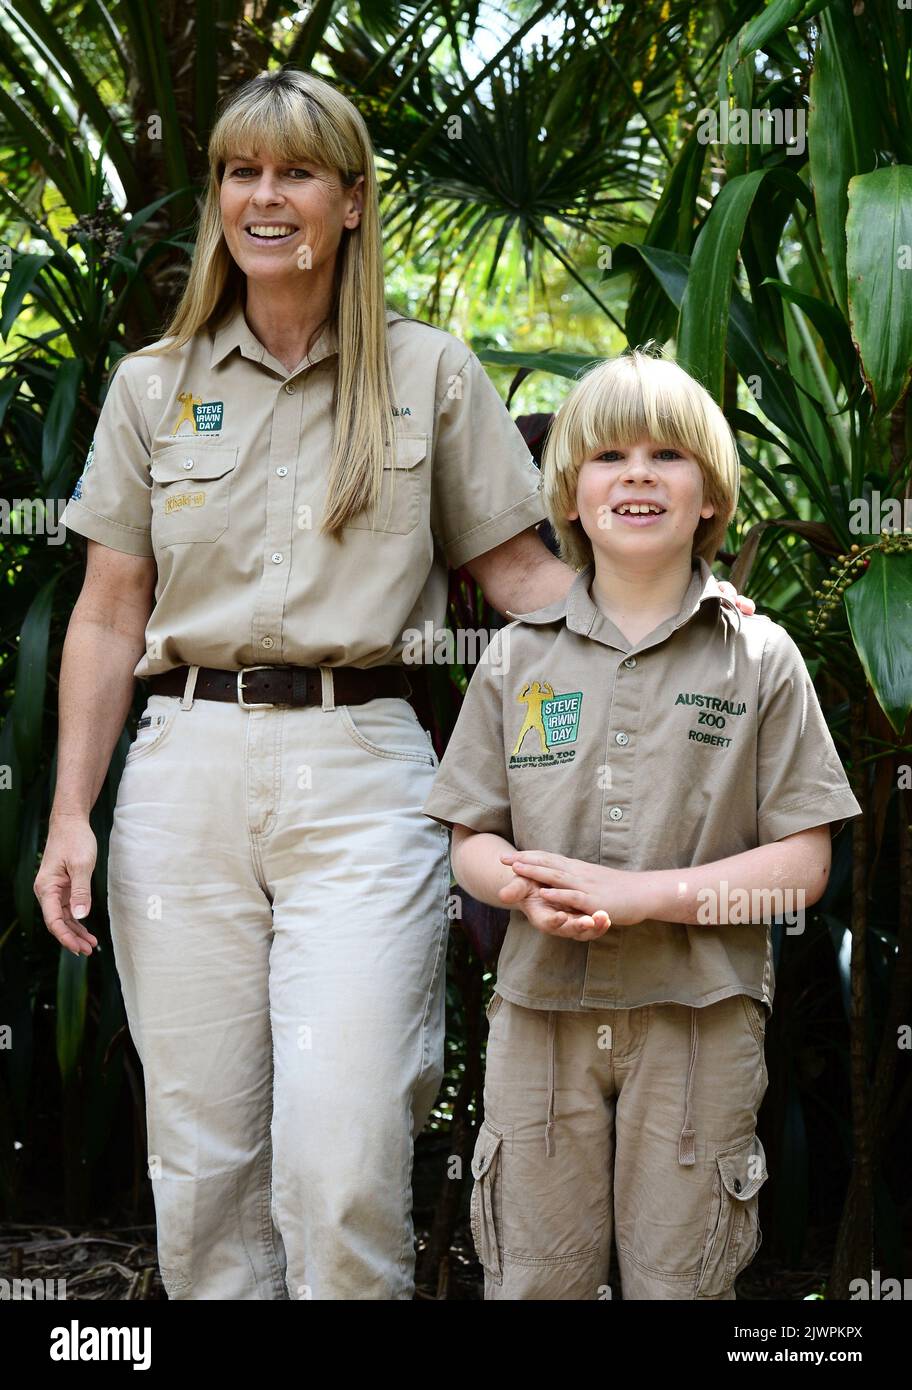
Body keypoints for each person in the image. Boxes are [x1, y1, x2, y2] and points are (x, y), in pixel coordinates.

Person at [36, 69, 755, 1301]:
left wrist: (675, 608)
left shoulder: (428, 373)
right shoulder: (152, 386)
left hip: (363, 771)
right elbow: (109, 613)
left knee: (349, 1145)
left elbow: (521, 570)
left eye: (297, 172)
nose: (266, 197)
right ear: (217, 196)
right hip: (183, 768)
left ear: (352, 200)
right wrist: (67, 816)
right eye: (240, 172)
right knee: (200, 1163)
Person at [421, 350, 863, 1300]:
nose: (636, 473)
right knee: (536, 1277)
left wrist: (642, 897)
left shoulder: (760, 657)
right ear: (569, 499)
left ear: (710, 494)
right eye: (608, 455)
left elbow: (804, 865)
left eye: (668, 454)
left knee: (681, 1279)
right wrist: (523, 893)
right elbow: (471, 843)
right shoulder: (515, 661)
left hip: (699, 1016)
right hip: (540, 1019)